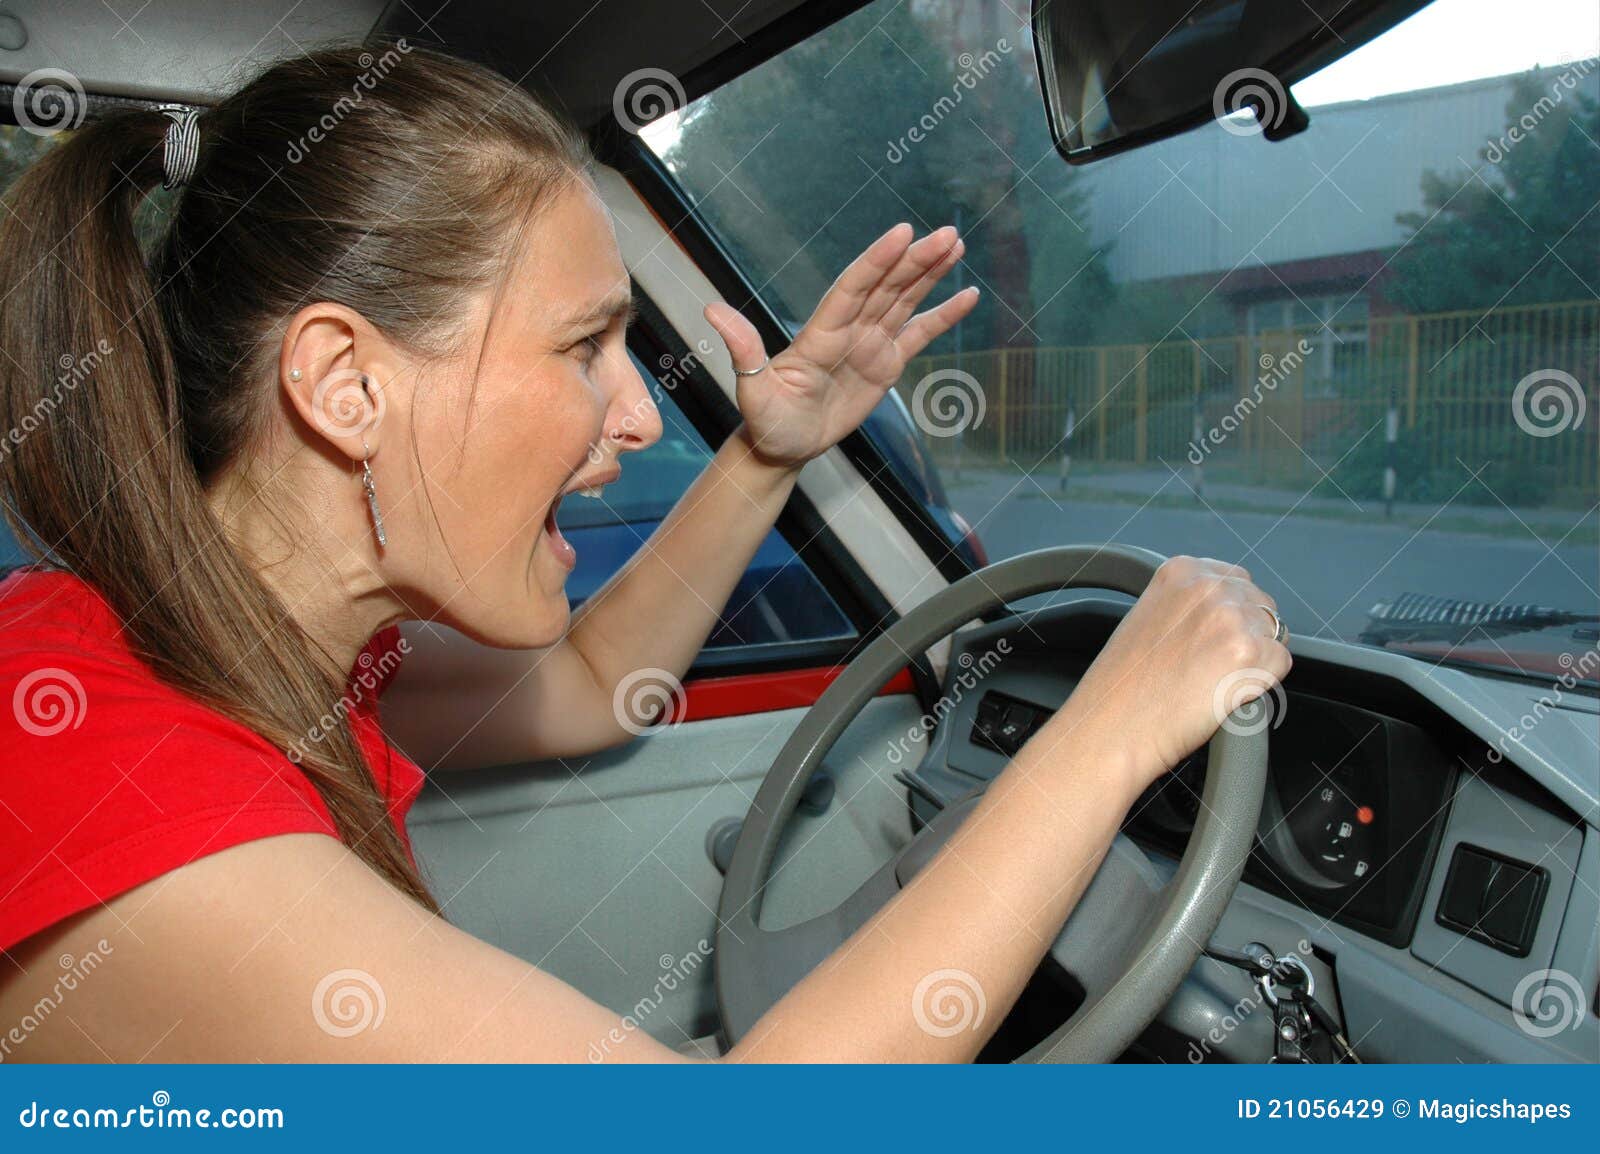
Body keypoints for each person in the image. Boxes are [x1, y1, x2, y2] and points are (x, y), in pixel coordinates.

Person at [0, 45, 1288, 1062]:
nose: (636, 412)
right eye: (581, 348)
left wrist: (768, 452)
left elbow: (591, 692)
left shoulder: (227, 640)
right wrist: (1113, 728)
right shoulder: (91, 761)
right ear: (345, 385)